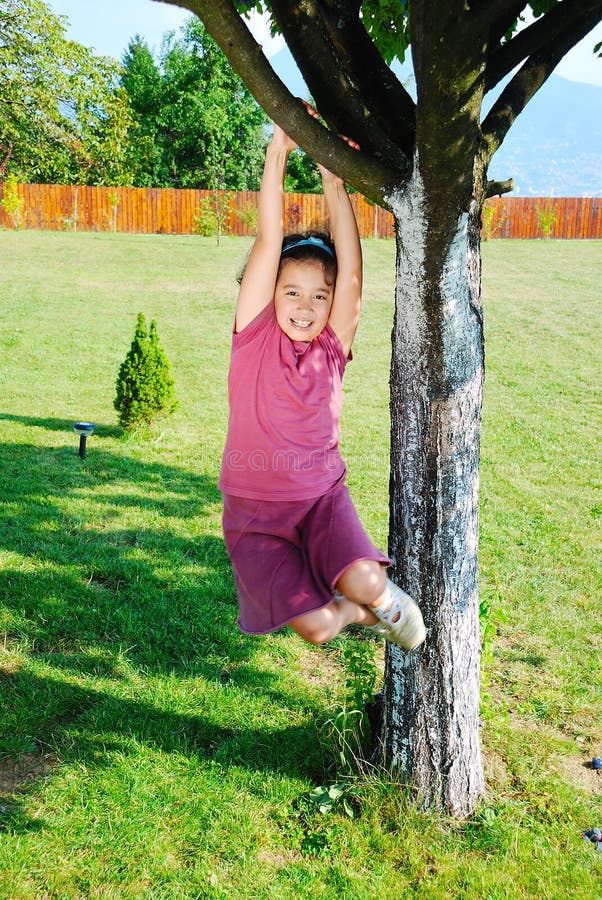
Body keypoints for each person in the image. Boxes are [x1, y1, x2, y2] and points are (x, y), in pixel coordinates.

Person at [219, 119, 425, 651]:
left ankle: (381, 602)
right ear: (270, 293)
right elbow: (269, 239)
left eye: (318, 296)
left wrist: (335, 184)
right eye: (291, 292)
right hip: (255, 515)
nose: (305, 307)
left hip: (319, 501)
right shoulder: (254, 334)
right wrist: (278, 154)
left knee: (369, 581)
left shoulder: (333, 348)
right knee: (316, 629)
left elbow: (352, 274)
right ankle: (363, 613)